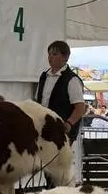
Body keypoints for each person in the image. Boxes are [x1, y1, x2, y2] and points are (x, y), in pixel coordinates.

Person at [35, 41, 87, 186]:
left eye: (55, 54)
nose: (50, 57)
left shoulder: (71, 79)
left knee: (59, 166)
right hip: (45, 128)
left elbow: (80, 107)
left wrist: (69, 123)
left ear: (65, 57)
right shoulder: (44, 76)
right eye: (49, 54)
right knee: (47, 165)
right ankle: (52, 192)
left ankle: (62, 192)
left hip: (63, 130)